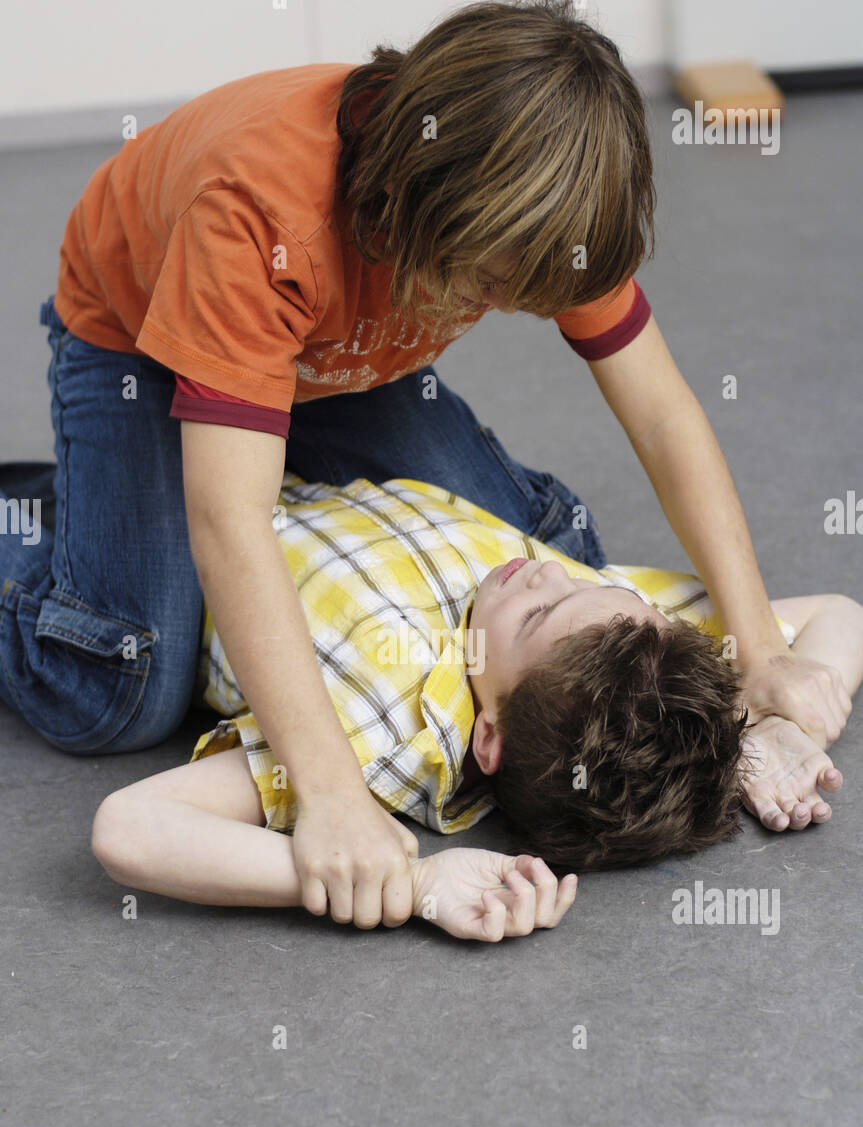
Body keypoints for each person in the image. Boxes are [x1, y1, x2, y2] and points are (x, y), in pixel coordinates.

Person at [1, 3, 850, 930]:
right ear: (420, 200)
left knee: (541, 555)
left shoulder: (552, 188)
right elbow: (228, 519)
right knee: (120, 687)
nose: (509, 308)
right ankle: (63, 526)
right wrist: (329, 797)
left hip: (338, 358)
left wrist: (760, 658)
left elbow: (660, 410)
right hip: (137, 349)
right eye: (492, 288)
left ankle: (120, 503)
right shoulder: (258, 210)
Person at [90, 471, 863, 942]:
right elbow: (840, 612)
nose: (538, 574)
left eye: (533, 619)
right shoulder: (633, 640)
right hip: (312, 452)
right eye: (583, 581)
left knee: (108, 678)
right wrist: (768, 722)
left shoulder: (385, 733)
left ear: (486, 735)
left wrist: (409, 883)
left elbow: (131, 828)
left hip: (170, 521)